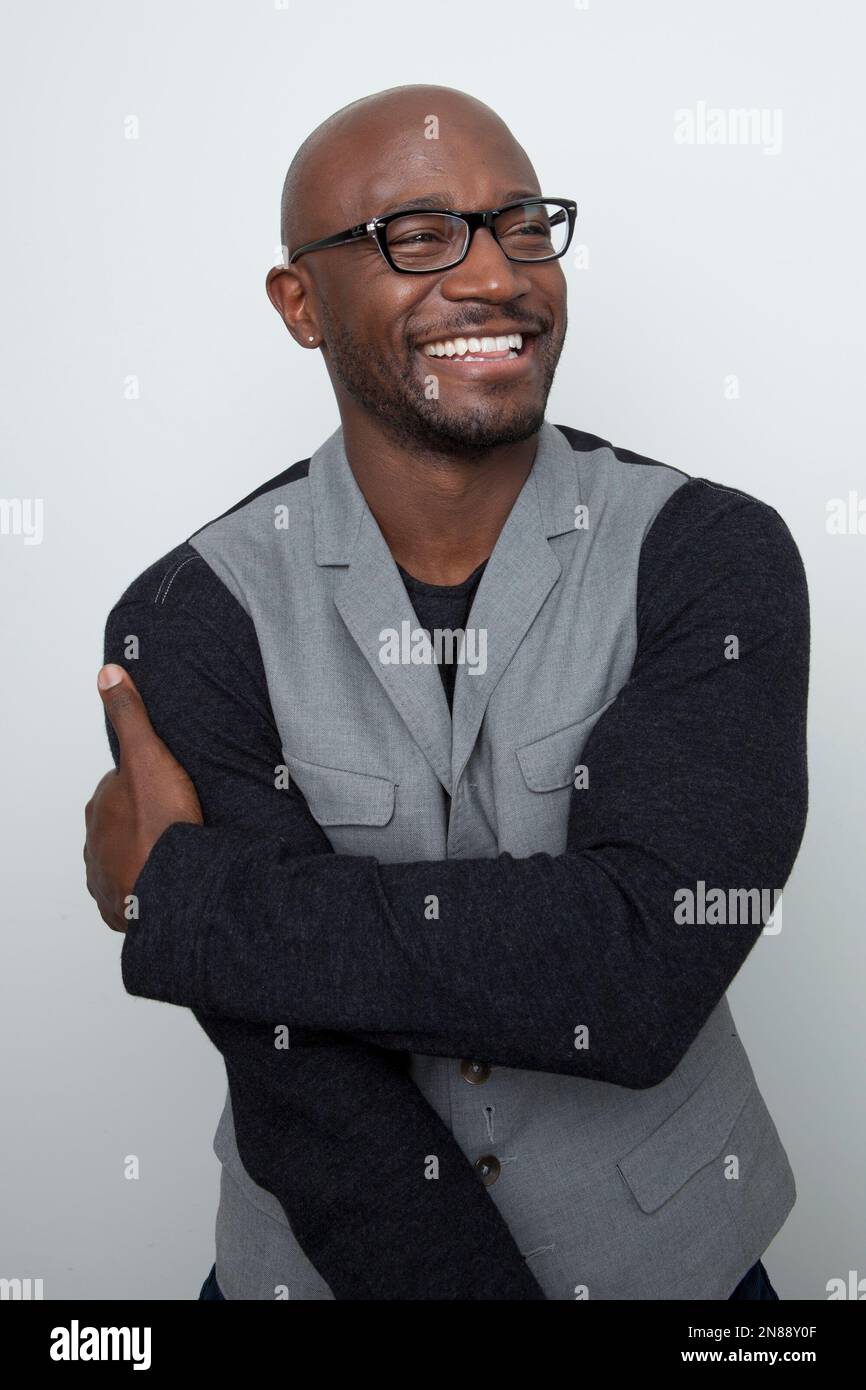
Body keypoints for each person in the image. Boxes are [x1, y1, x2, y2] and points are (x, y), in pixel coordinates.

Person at [84, 84, 808, 1301]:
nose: (491, 276)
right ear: (299, 303)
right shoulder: (187, 612)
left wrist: (190, 898)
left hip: (673, 1264)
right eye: (416, 236)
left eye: (521, 224)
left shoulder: (712, 553)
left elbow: (640, 965)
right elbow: (302, 1084)